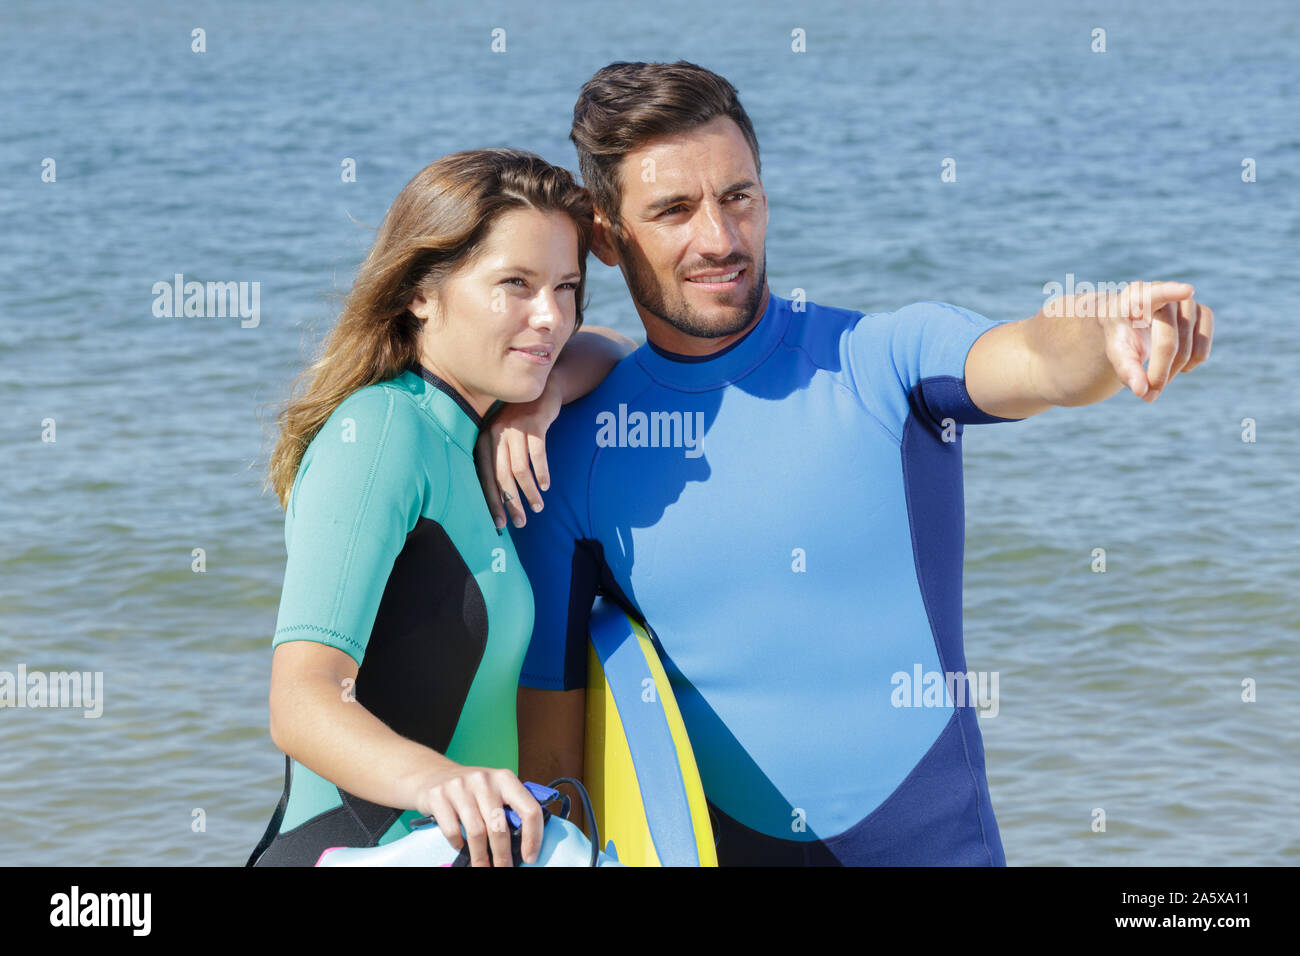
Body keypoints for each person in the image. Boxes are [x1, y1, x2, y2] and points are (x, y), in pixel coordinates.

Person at [478, 61, 1216, 865]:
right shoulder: (565, 459)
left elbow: (1034, 359)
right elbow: (557, 769)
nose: (720, 239)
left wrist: (1101, 335)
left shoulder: (881, 360)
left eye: (739, 197)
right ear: (609, 240)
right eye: (674, 211)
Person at [247, 148, 635, 867]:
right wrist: (445, 784)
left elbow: (616, 348)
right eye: (514, 284)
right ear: (422, 292)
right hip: (360, 855)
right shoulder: (383, 434)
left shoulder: (469, 428)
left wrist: (539, 402)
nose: (549, 316)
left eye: (567, 286)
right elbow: (302, 699)